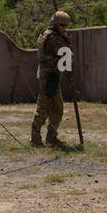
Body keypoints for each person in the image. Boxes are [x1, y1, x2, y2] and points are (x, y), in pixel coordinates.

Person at [31, 11, 73, 149]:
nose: (64, 28)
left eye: (66, 26)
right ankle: (37, 138)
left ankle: (50, 137)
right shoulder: (54, 38)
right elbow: (66, 53)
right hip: (50, 76)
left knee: (55, 107)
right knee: (45, 107)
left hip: (50, 75)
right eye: (62, 25)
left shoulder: (47, 35)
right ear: (55, 24)